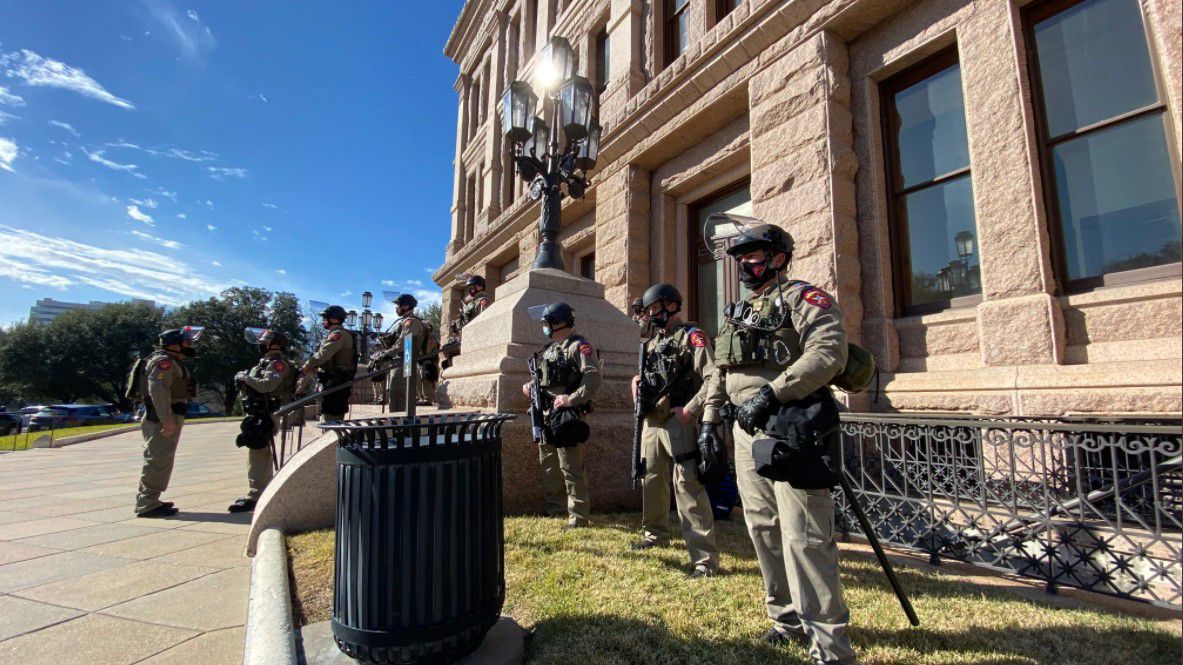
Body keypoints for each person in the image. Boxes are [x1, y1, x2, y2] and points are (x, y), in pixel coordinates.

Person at [701, 215, 857, 664]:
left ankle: (829, 645)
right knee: (763, 528)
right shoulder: (738, 311)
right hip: (745, 432)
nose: (744, 265)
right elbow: (721, 371)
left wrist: (771, 394)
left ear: (778, 258)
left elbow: (829, 352)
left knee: (805, 536)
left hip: (791, 428)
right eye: (740, 258)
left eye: (752, 256)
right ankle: (785, 620)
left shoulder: (803, 298)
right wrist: (710, 421)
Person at [631, 283, 721, 579]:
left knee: (687, 485)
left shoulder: (692, 336)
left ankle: (704, 559)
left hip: (678, 420)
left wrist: (691, 409)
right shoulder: (652, 343)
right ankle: (655, 534)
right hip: (651, 420)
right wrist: (636, 383)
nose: (651, 315)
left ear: (671, 306)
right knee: (652, 478)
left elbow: (713, 376)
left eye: (655, 309)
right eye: (648, 311)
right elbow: (650, 377)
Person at [520, 302, 601, 529]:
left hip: (567, 415)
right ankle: (555, 508)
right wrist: (530, 386)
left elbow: (593, 378)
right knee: (548, 463)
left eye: (547, 323)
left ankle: (579, 516)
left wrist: (571, 399)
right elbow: (545, 380)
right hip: (546, 414)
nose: (544, 327)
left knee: (571, 466)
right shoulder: (550, 349)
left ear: (558, 323)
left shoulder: (579, 347)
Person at [134, 326, 202, 518]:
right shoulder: (165, 362)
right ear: (174, 345)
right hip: (162, 417)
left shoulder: (169, 361)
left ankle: (150, 499)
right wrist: (167, 420)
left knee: (160, 459)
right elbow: (158, 389)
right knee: (158, 460)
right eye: (186, 343)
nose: (190, 346)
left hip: (164, 415)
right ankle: (147, 503)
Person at [229, 329, 296, 513]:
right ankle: (258, 491)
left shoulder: (278, 364)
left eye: (264, 342)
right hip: (256, 411)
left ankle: (256, 495)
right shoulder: (266, 362)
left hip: (265, 412)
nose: (261, 345)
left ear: (273, 345)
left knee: (259, 452)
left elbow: (267, 386)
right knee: (257, 452)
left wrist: (245, 377)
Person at [375, 293, 437, 408]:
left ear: (406, 306)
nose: (396, 308)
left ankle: (398, 419)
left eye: (398, 305)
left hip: (404, 361)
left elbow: (402, 344)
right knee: (397, 395)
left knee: (398, 395)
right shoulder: (404, 321)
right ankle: (399, 418)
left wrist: (384, 355)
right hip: (401, 361)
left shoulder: (411, 322)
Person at [300, 305, 356, 421]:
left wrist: (307, 365)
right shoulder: (338, 333)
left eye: (325, 318)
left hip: (335, 382)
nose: (323, 321)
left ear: (334, 319)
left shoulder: (339, 334)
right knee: (329, 415)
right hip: (332, 381)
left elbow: (323, 355)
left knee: (330, 417)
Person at [443, 274, 493, 369]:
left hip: (475, 339)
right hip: (465, 338)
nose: (470, 289)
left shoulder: (483, 301)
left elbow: (484, 322)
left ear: (480, 286)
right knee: (447, 350)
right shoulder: (471, 304)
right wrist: (455, 327)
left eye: (472, 286)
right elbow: (464, 323)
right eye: (469, 287)